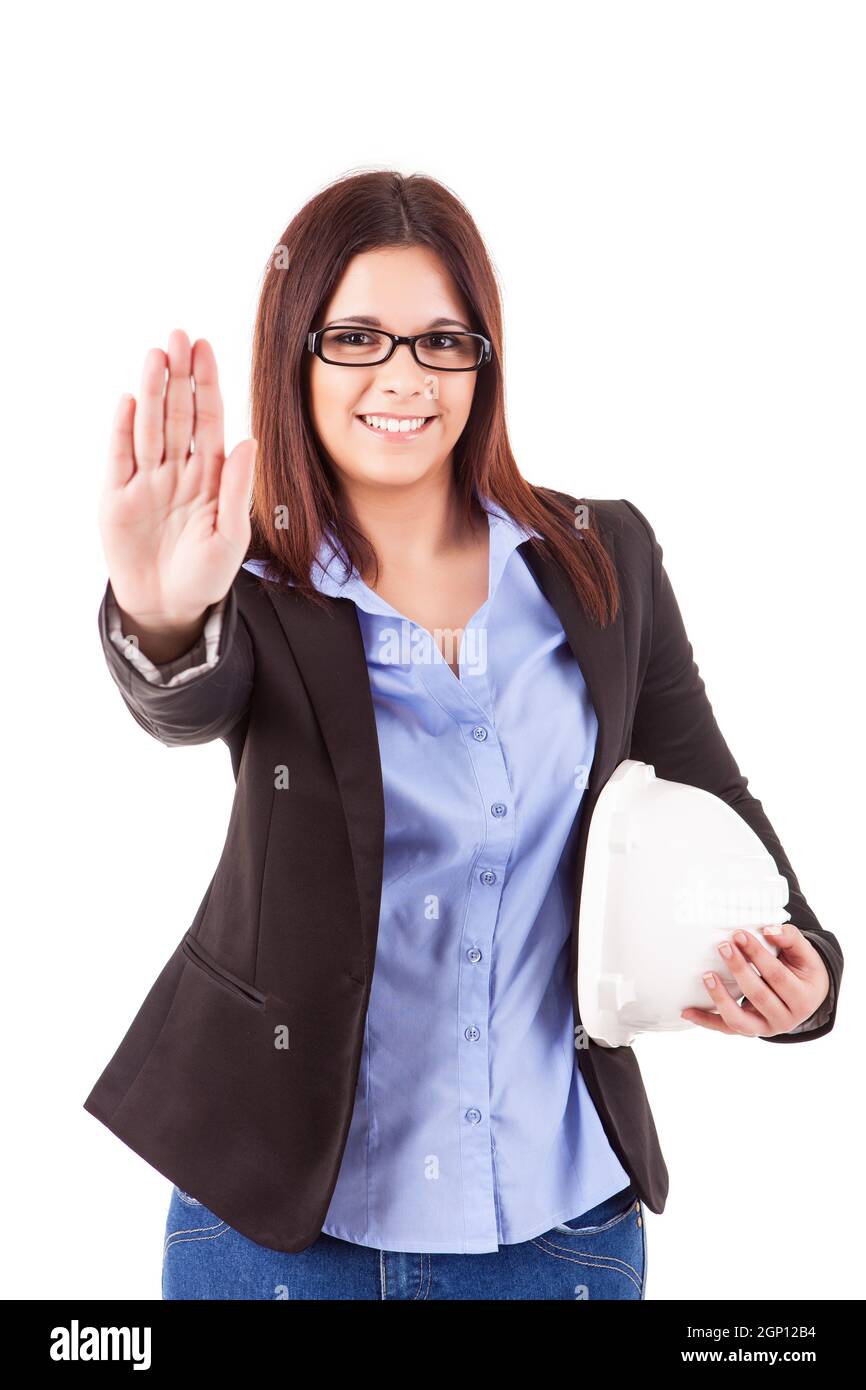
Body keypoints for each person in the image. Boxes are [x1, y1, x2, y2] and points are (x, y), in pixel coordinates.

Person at [87, 170, 840, 1301]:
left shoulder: (600, 559)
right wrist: (159, 612)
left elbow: (716, 806)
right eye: (355, 337)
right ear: (294, 355)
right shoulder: (247, 577)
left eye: (441, 340)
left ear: (483, 362)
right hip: (281, 1225)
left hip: (552, 1227)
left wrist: (806, 978)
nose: (401, 375)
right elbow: (184, 700)